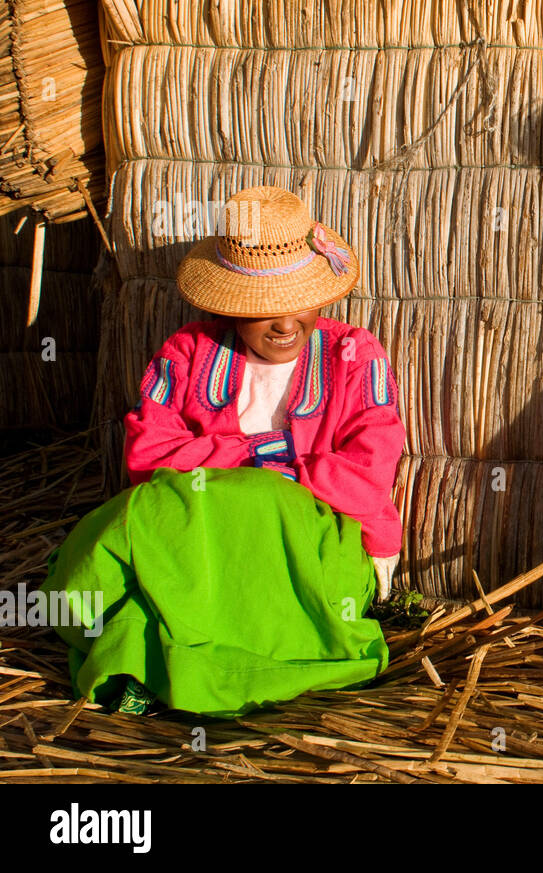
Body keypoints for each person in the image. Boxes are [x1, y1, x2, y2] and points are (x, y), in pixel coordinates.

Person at [40, 186, 404, 717]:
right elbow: (149, 456)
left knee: (233, 521)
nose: (285, 323)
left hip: (307, 540)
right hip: (198, 526)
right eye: (263, 309)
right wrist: (264, 462)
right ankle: (144, 664)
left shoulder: (353, 355)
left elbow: (367, 474)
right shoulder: (189, 353)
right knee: (140, 520)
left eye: (298, 301)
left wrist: (231, 469)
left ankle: (155, 667)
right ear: (229, 305)